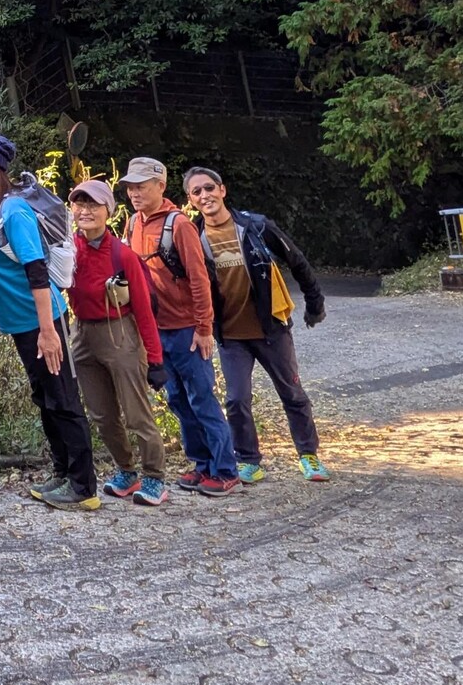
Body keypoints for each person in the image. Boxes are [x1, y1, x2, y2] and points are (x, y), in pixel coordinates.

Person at [0, 134, 99, 513]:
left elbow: (36, 271)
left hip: (43, 322)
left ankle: (84, 486)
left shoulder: (13, 211)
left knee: (63, 399)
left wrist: (48, 332)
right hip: (19, 323)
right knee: (45, 398)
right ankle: (62, 473)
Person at [183, 166, 330, 483]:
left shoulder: (256, 226)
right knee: (236, 399)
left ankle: (309, 456)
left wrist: (314, 303)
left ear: (223, 190)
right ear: (190, 200)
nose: (205, 195)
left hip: (271, 329)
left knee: (292, 393)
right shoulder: (194, 238)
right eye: (197, 192)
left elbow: (296, 260)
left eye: (209, 188)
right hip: (231, 335)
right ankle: (248, 460)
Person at [123, 156, 239, 497]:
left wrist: (204, 328)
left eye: (142, 186)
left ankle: (225, 469)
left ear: (160, 186)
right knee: (177, 399)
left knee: (202, 399)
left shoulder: (180, 225)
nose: (135, 193)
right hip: (156, 331)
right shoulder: (133, 224)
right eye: (131, 187)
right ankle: (202, 465)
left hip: (188, 329)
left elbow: (200, 280)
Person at [67, 179, 169, 507]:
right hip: (82, 335)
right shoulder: (67, 250)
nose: (85, 211)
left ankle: (154, 476)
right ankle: (127, 470)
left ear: (108, 211)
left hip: (120, 332)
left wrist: (155, 359)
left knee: (136, 413)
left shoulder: (122, 255)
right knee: (101, 413)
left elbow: (142, 308)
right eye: (79, 204)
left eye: (93, 205)